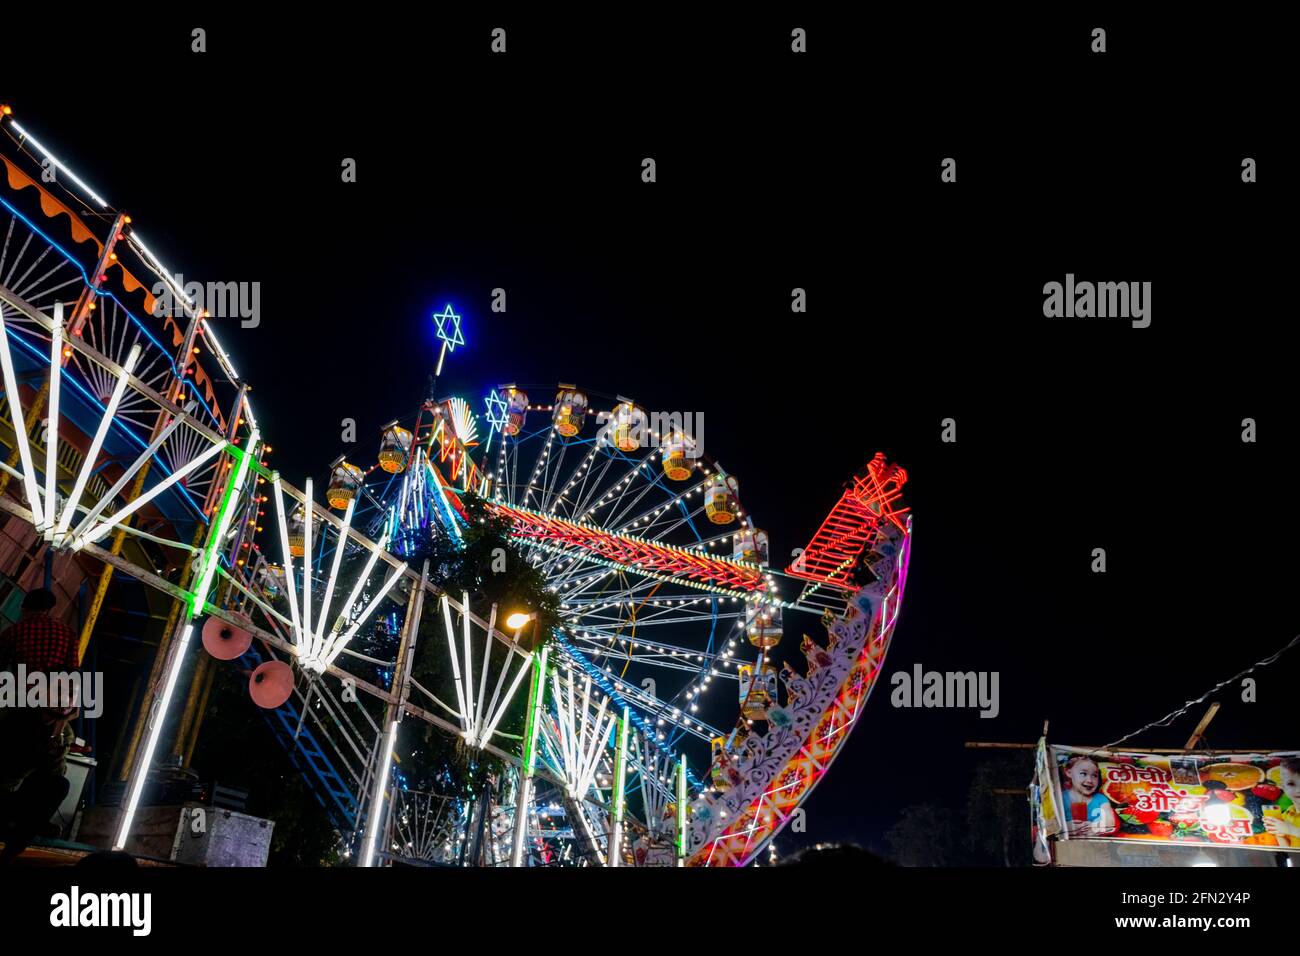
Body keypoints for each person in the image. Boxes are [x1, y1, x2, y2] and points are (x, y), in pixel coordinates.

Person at [0, 588, 80, 865]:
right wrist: (59, 724)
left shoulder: (13, 633)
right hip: (46, 711)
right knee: (56, 781)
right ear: (51, 610)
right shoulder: (67, 635)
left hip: (21, 704)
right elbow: (72, 675)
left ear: (24, 608)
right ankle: (13, 845)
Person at [1059, 754, 1118, 838]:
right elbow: (1050, 824)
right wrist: (1065, 826)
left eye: (1094, 775)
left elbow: (1110, 822)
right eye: (1083, 774)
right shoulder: (1060, 797)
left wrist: (1095, 826)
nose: (1089, 780)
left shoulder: (1100, 799)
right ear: (1069, 772)